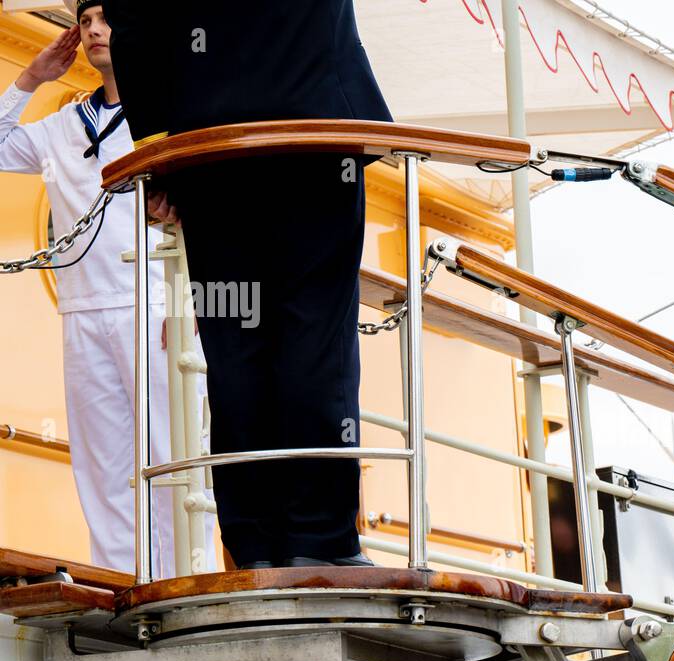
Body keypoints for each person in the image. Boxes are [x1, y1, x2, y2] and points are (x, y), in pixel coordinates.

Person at [101, 0, 393, 569]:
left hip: (209, 148)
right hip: (318, 127)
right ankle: (320, 541)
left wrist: (161, 148)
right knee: (316, 340)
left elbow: (133, 20)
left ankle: (252, 543)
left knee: (235, 347)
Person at [0, 1, 211, 578]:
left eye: (107, 18)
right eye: (86, 20)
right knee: (101, 470)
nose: (95, 31)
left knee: (175, 464)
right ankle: (123, 587)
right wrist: (30, 79)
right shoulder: (62, 125)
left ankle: (187, 588)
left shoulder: (173, 109)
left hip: (157, 307)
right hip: (82, 310)